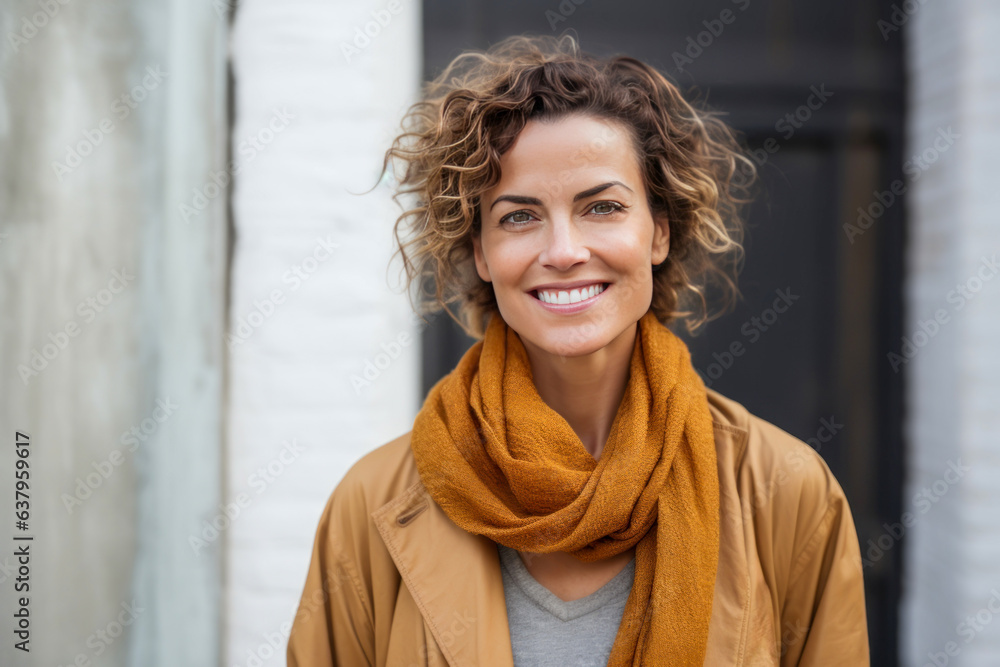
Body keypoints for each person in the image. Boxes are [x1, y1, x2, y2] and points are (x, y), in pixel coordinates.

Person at [287, 34, 869, 666]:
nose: (563, 251)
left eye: (603, 207)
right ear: (481, 251)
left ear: (659, 232)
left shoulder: (786, 495)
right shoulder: (373, 504)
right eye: (518, 217)